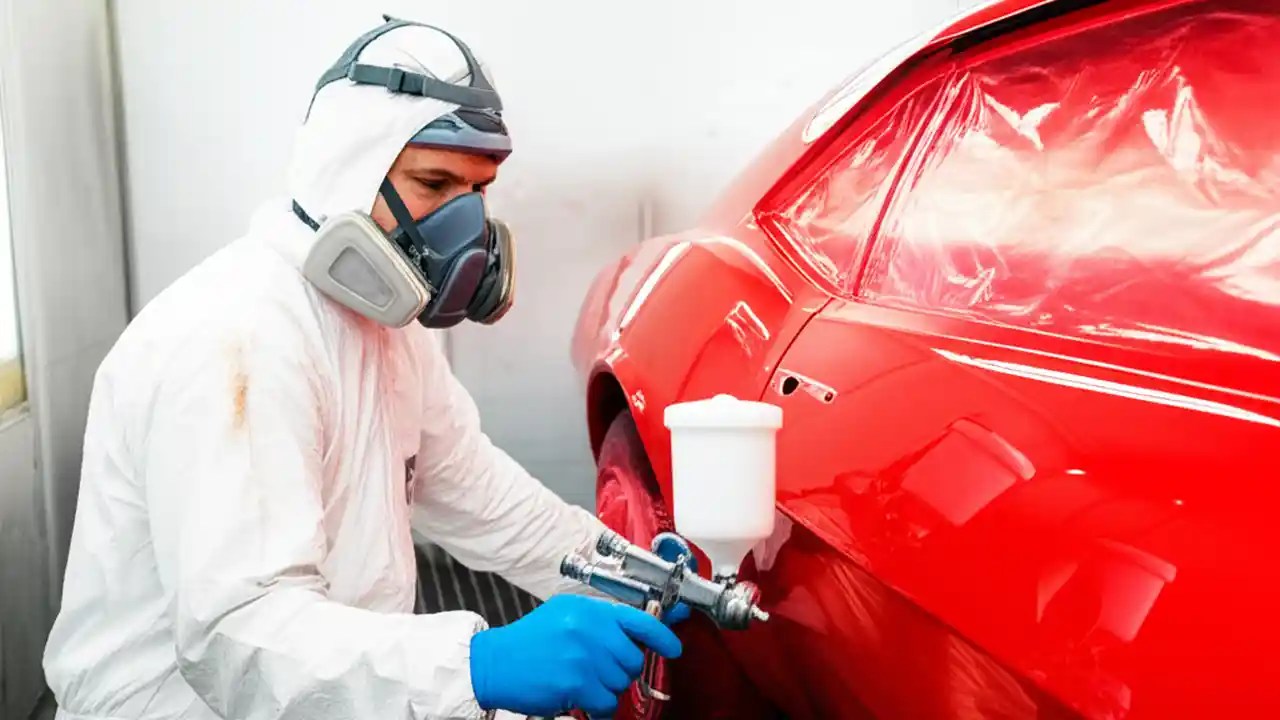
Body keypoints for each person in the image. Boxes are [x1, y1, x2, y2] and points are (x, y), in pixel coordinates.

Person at [42, 16, 688, 720]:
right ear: (345, 175)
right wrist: (478, 664)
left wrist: (624, 574)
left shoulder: (388, 333)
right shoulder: (236, 338)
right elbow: (242, 637)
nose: (465, 229)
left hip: (344, 695)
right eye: (434, 183)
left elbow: (480, 493)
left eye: (477, 190)